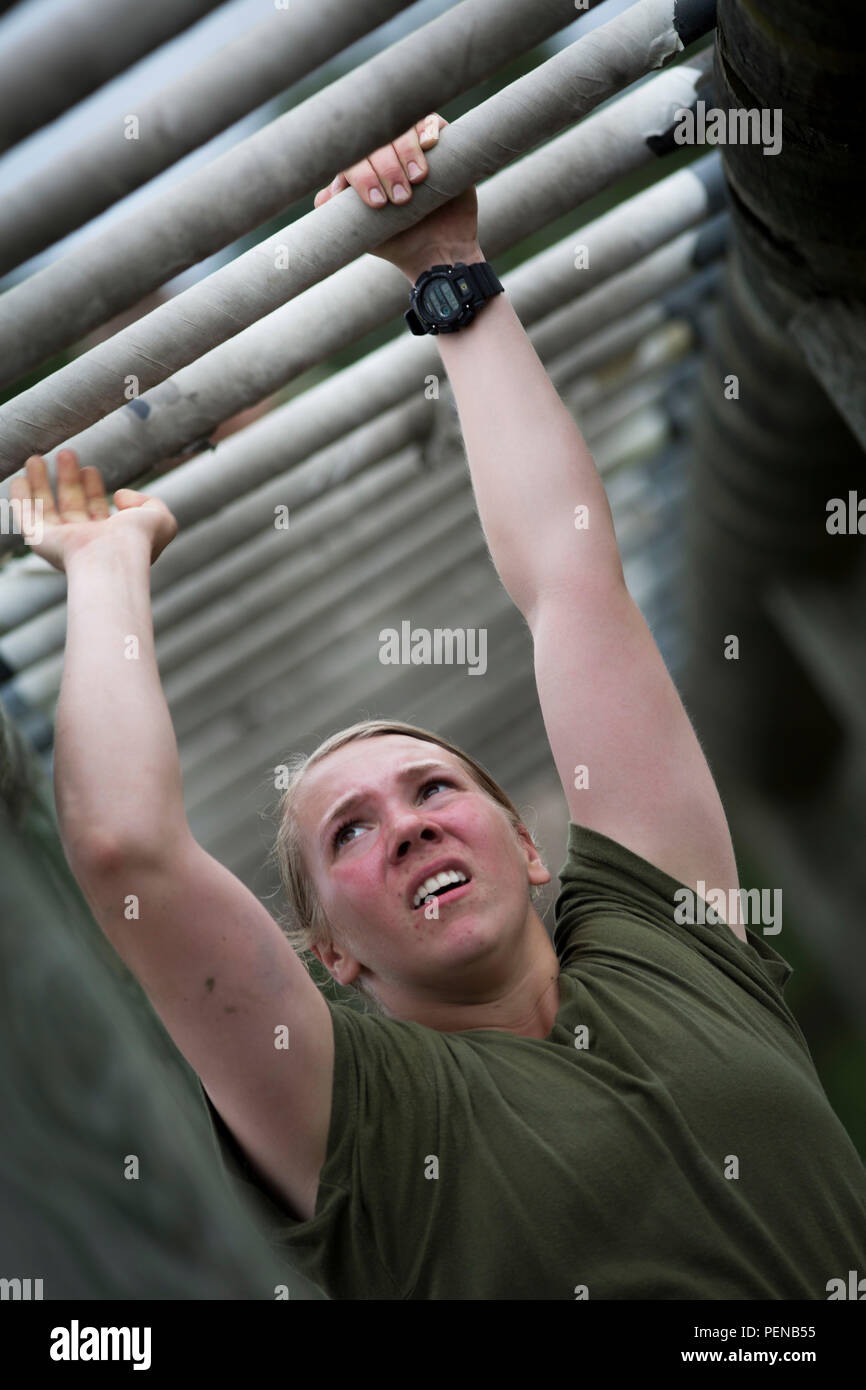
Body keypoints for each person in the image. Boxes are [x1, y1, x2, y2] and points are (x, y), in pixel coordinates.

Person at [14, 115, 866, 1302]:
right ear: (331, 958)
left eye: (431, 788)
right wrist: (105, 567)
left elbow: (572, 588)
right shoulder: (356, 1119)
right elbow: (127, 854)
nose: (404, 821)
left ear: (527, 842)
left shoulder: (670, 937)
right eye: (348, 833)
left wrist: (447, 274)